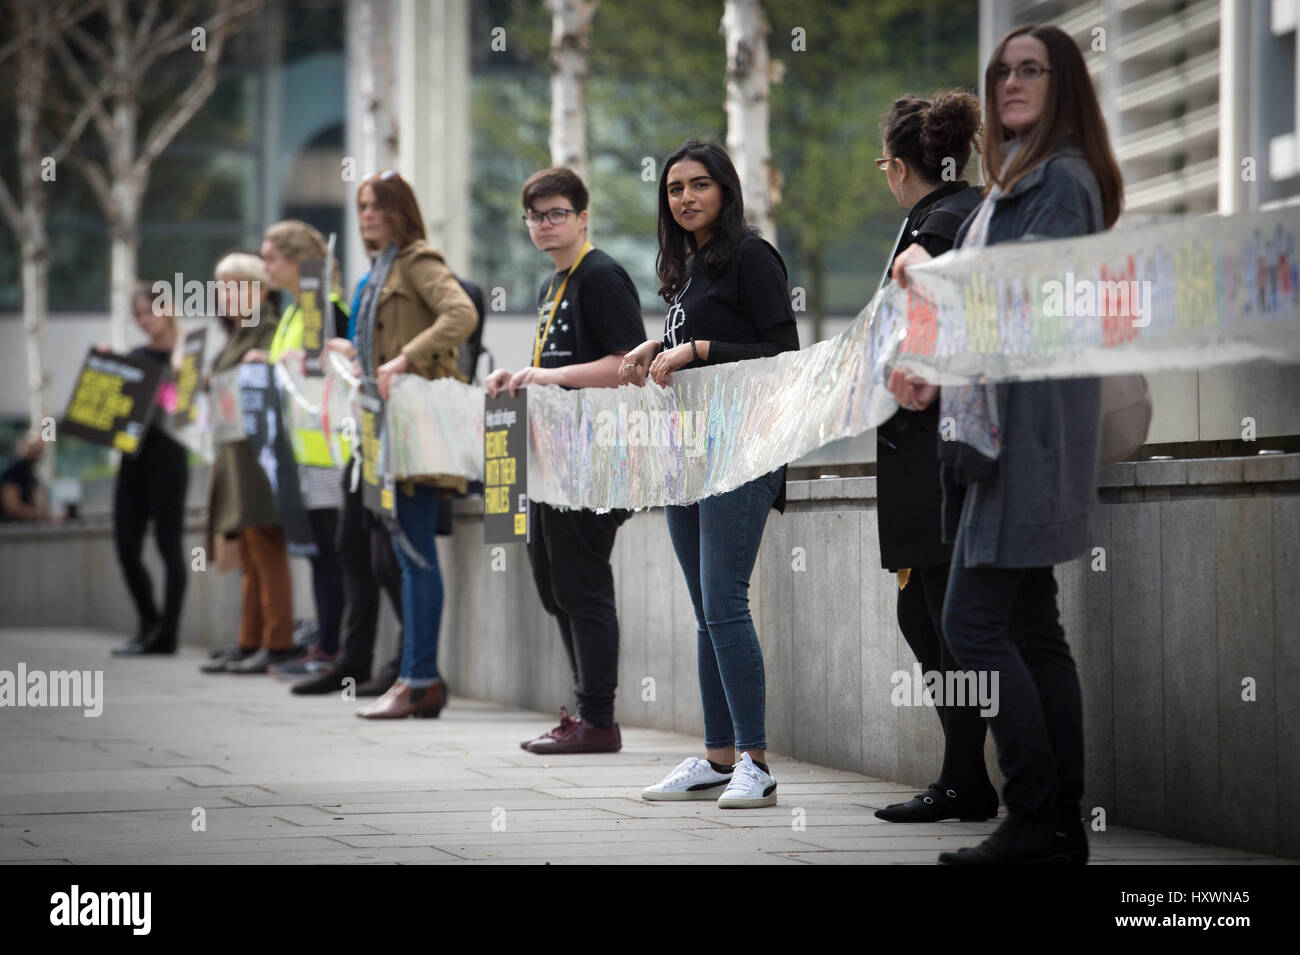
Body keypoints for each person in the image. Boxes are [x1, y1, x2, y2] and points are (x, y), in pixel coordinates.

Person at [890, 24, 1123, 864]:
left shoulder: (1060, 179)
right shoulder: (1021, 177)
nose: (1013, 82)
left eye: (1033, 70)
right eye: (1002, 71)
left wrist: (933, 276)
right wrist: (936, 370)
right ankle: (1059, 822)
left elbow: (1025, 303)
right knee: (1032, 628)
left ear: (1065, 86)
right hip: (1004, 429)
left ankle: (1035, 816)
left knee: (973, 625)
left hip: (1024, 436)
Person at [622, 141, 799, 808]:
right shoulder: (690, 269)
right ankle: (717, 757)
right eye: (674, 189)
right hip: (688, 451)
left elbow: (784, 355)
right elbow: (703, 347)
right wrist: (660, 346)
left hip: (743, 449)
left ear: (725, 189)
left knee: (724, 598)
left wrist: (695, 349)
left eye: (700, 185)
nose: (687, 197)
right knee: (706, 610)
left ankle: (757, 761)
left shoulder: (753, 256)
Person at [483, 167, 646, 754]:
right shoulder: (553, 283)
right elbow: (558, 368)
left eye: (556, 214)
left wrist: (550, 375)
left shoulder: (601, 275)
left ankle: (599, 721)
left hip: (593, 459)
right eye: (534, 216)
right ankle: (585, 713)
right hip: (549, 459)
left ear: (583, 217)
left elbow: (629, 366)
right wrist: (520, 378)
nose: (544, 224)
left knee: (583, 587)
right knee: (556, 589)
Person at [869, 92, 999, 823]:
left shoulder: (941, 222)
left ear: (896, 165)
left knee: (944, 623)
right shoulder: (948, 213)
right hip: (927, 454)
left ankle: (966, 779)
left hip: (937, 457)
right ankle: (963, 776)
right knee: (928, 618)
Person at [348, 170, 477, 720]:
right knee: (404, 551)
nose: (367, 215)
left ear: (400, 210)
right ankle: (418, 678)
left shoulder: (418, 259)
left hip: (418, 420)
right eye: (361, 206)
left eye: (377, 205)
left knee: (416, 552)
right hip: (386, 421)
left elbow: (462, 314)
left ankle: (420, 677)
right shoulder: (379, 270)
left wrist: (404, 358)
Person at [252, 220, 351, 680]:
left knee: (329, 552)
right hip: (301, 451)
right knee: (316, 550)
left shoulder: (326, 308)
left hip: (327, 452)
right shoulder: (294, 312)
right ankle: (324, 643)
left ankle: (330, 648)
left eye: (271, 257)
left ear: (296, 262)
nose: (265, 266)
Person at [200, 253, 299, 675]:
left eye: (234, 285)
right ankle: (250, 638)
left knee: (266, 541)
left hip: (260, 453)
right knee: (249, 546)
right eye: (221, 286)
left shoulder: (268, 330)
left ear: (259, 290)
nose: (225, 295)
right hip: (235, 452)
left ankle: (276, 641)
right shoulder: (240, 335)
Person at [110, 283, 191, 656]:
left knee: (168, 545)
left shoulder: (187, 351)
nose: (145, 320)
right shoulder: (136, 356)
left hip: (168, 458)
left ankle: (167, 635)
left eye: (151, 312)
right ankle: (149, 622)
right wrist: (108, 368)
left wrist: (180, 358)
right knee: (126, 546)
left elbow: (186, 407)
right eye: (139, 315)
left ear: (168, 308)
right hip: (133, 459)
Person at [0, 433, 55, 522]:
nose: (39, 453)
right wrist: (38, 515)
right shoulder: (14, 471)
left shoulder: (30, 472)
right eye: (36, 449)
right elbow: (11, 506)